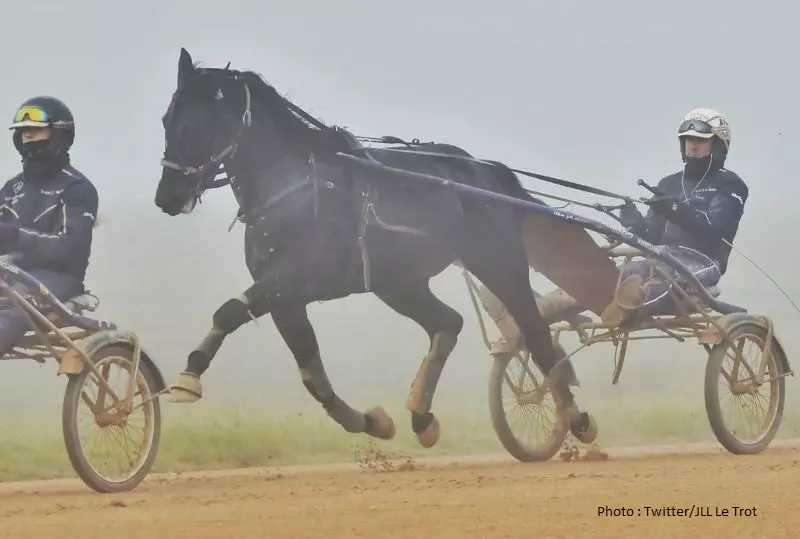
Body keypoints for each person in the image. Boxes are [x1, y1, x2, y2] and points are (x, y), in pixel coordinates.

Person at [601, 107, 749, 325]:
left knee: (667, 279)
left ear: (717, 145)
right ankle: (554, 307)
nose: (693, 145)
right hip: (661, 256)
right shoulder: (667, 184)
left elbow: (713, 226)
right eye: (688, 139)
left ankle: (626, 307)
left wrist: (674, 210)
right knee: (616, 274)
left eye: (700, 140)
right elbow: (653, 238)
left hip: (702, 261)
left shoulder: (731, 185)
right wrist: (637, 225)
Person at [0, 96, 98, 355]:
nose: (29, 138)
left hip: (59, 279)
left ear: (59, 135)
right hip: (12, 274)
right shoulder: (11, 188)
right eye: (24, 133)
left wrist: (15, 236)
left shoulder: (78, 188)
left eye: (36, 131)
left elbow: (70, 248)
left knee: (13, 307)